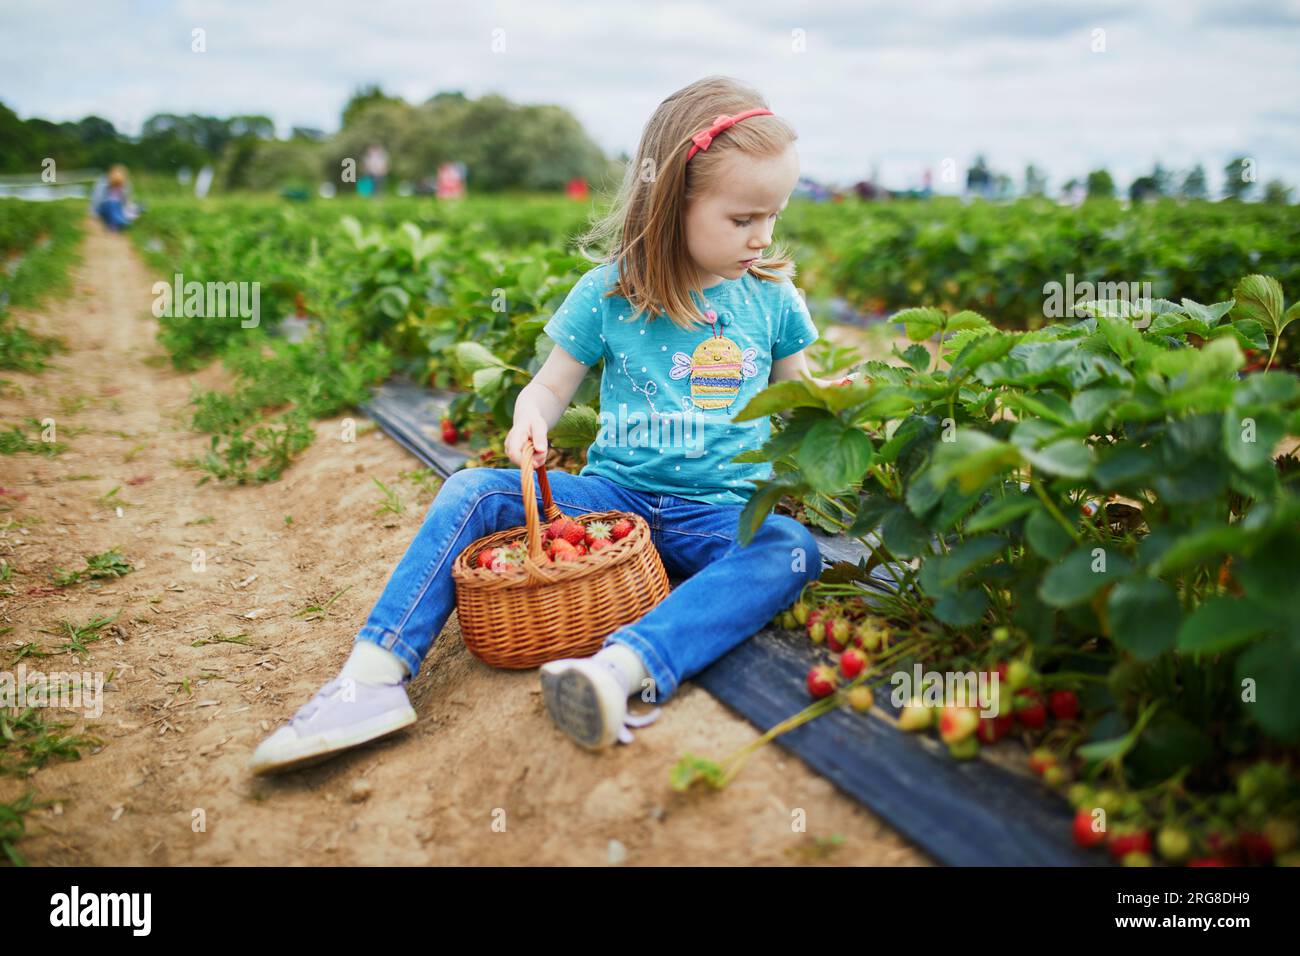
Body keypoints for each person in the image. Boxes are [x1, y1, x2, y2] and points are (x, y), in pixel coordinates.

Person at [248, 75, 839, 775]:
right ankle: (372, 676)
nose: (761, 236)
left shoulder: (772, 298)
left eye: (773, 216)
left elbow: (798, 398)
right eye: (742, 219)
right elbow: (549, 386)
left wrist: (839, 407)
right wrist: (528, 420)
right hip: (616, 501)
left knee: (789, 549)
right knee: (473, 494)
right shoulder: (613, 292)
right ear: (673, 201)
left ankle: (621, 668)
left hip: (720, 512)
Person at [93, 165, 141, 231]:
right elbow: (97, 199)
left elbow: (127, 201)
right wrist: (94, 213)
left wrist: (129, 209)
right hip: (105, 207)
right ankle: (118, 222)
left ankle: (117, 222)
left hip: (118, 207)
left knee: (117, 208)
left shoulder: (125, 186)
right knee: (112, 205)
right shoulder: (103, 184)